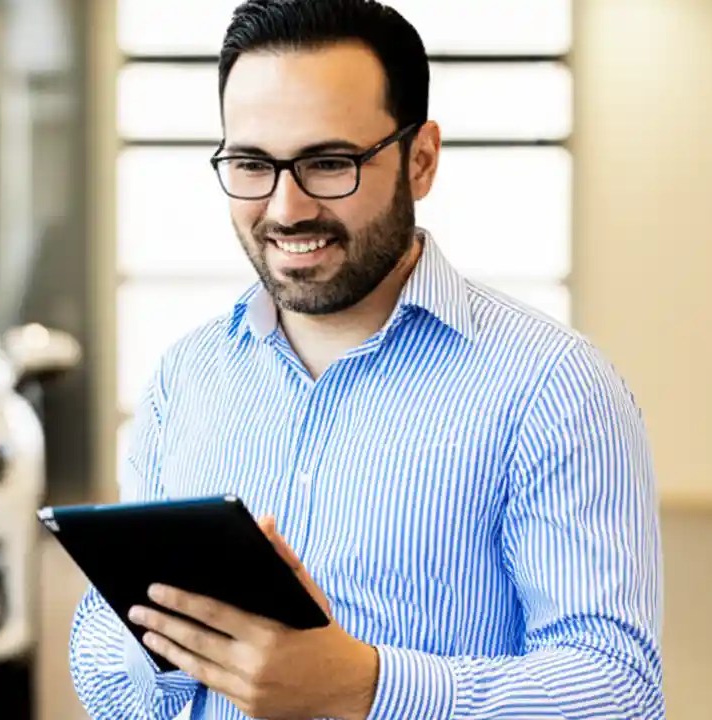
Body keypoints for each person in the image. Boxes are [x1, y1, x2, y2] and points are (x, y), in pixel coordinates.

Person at [69, 1, 664, 718]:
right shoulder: (186, 378)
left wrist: (364, 686)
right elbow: (102, 645)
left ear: (421, 159)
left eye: (329, 163)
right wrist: (165, 647)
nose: (286, 208)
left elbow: (616, 693)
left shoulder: (552, 387)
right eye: (253, 164)